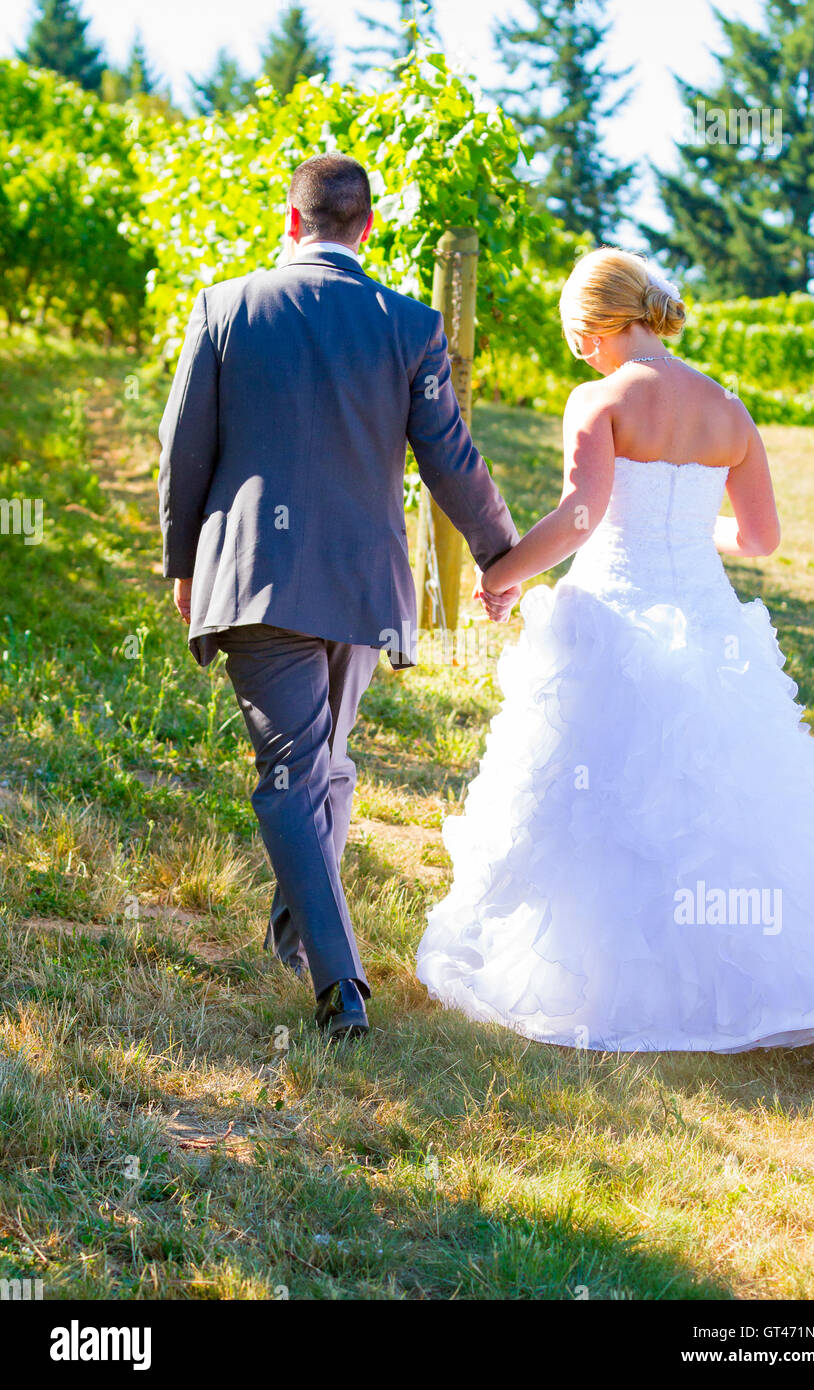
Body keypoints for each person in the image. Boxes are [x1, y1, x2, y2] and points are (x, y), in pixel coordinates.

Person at [417, 247, 814, 1053]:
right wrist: (695, 531)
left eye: (574, 333)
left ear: (600, 324)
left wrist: (504, 572)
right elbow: (761, 537)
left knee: (597, 792)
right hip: (708, 620)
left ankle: (604, 983)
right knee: (716, 800)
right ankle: (746, 984)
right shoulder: (728, 410)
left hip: (614, 618)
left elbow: (581, 517)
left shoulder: (599, 399)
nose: (575, 350)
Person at [158, 152, 519, 1039]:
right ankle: (311, 942)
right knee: (318, 769)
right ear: (367, 228)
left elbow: (181, 450)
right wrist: (498, 553)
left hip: (252, 580)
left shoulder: (224, 306)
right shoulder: (409, 324)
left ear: (291, 221)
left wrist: (183, 564)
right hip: (362, 586)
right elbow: (452, 458)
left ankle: (335, 981)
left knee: (303, 774)